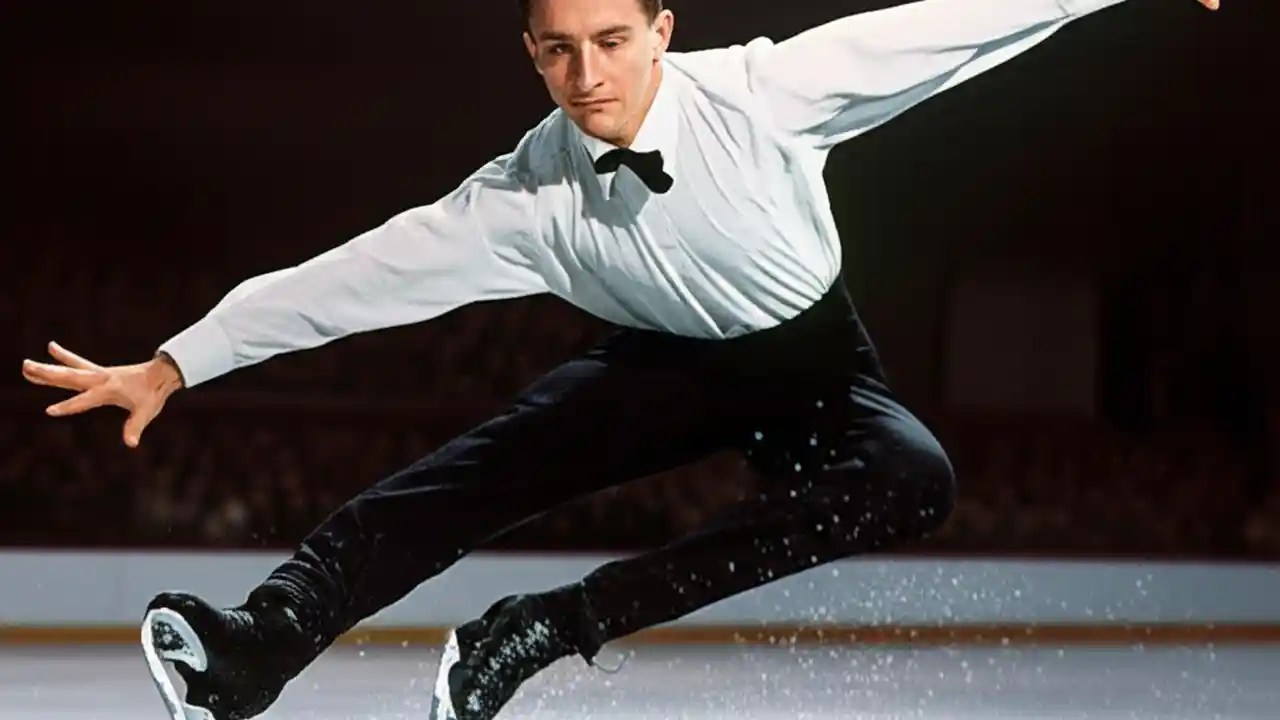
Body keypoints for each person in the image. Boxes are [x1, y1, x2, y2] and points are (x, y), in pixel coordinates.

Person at [21, 0, 1220, 718]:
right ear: (530, 55)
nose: (586, 77)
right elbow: (352, 279)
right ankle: (256, 647)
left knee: (915, 479)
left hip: (809, 366)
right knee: (477, 472)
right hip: (660, 365)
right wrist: (178, 363)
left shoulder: (766, 94)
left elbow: (946, 28)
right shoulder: (522, 196)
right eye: (556, 51)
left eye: (609, 40)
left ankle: (539, 629)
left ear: (660, 30)